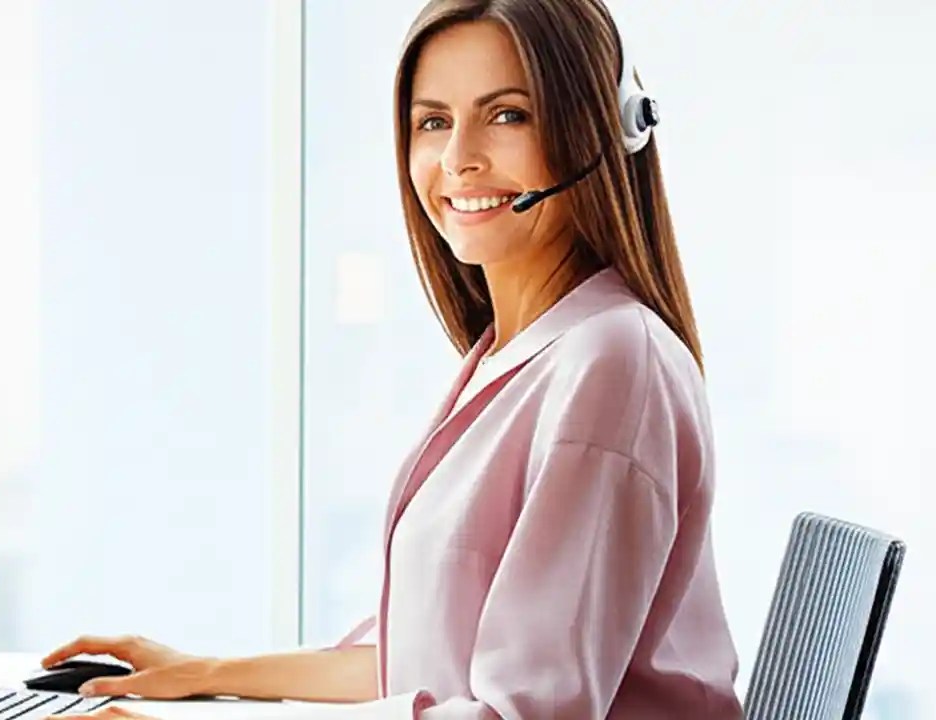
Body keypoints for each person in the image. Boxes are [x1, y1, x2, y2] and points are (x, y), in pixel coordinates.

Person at [47, 0, 743, 717]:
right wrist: (204, 673)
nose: (457, 159)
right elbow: (430, 662)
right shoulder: (519, 354)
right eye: (432, 122)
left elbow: (525, 713)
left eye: (508, 115)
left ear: (603, 132)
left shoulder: (611, 361)